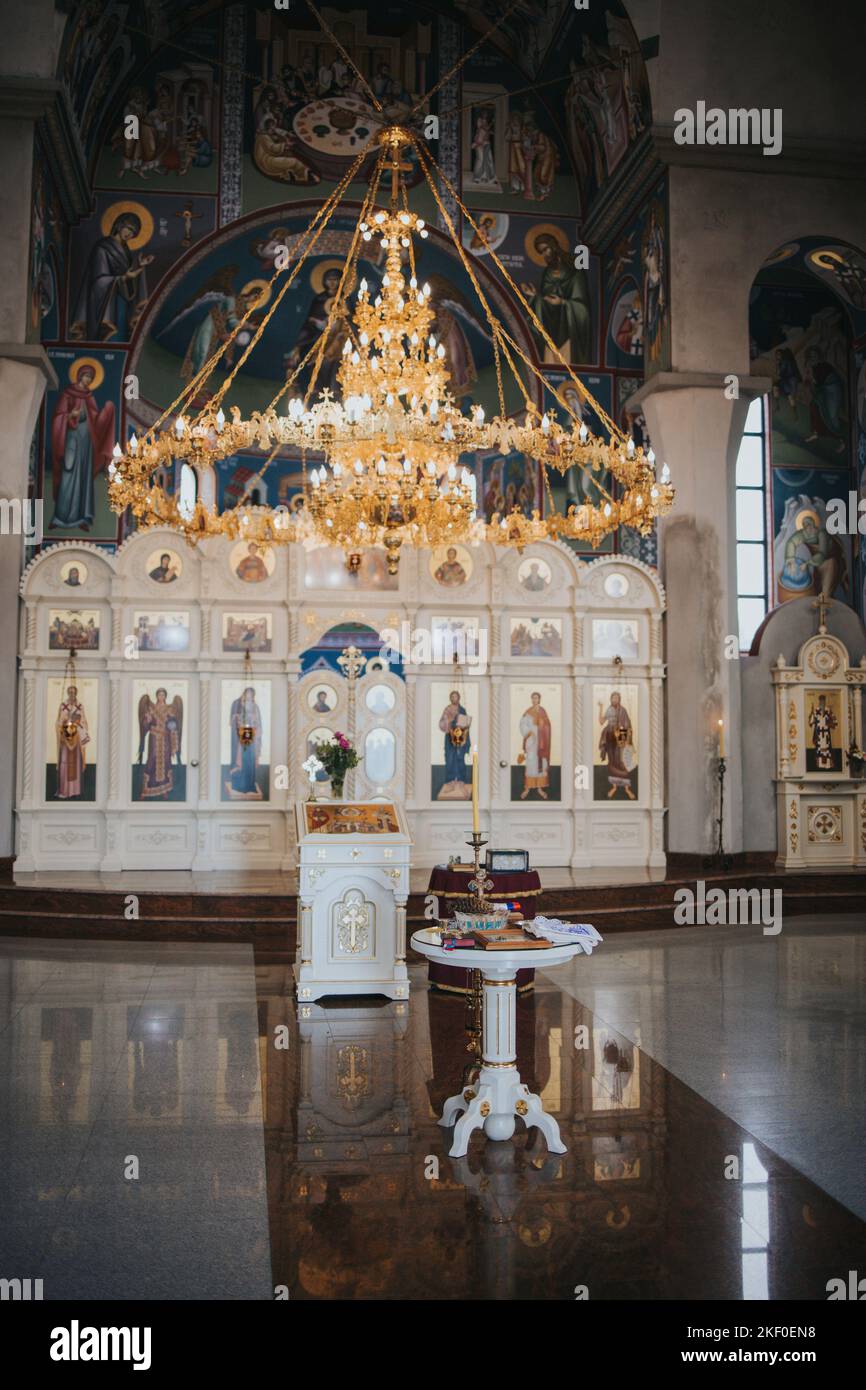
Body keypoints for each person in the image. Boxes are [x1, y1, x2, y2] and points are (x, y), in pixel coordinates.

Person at [50, 362, 116, 531]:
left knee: (84, 478)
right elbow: (58, 416)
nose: (88, 380)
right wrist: (70, 415)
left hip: (86, 441)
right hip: (71, 440)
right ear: (80, 375)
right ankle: (60, 517)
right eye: (87, 376)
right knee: (68, 473)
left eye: (91, 378)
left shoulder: (89, 397)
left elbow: (96, 422)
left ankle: (82, 518)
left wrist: (107, 411)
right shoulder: (68, 394)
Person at [70, 211, 153, 341]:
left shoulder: (126, 253)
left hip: (121, 301)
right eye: (129, 228)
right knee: (112, 337)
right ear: (120, 225)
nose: (129, 234)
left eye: (133, 233)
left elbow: (129, 279)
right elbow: (98, 281)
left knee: (121, 335)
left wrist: (140, 266)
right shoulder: (102, 247)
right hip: (106, 304)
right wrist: (122, 278)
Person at [523, 232, 592, 364]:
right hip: (551, 333)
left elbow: (582, 308)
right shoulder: (547, 274)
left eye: (545, 249)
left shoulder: (575, 271)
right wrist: (534, 297)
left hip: (570, 335)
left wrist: (563, 303)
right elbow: (545, 302)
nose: (544, 255)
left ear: (554, 246)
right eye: (541, 252)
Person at [598, 692, 635, 799]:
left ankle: (627, 788)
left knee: (621, 761)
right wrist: (600, 708)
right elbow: (601, 722)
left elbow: (627, 724)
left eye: (616, 698)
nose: (614, 699)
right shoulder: (609, 709)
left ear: (619, 699)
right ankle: (614, 786)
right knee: (612, 761)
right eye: (613, 698)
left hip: (620, 734)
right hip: (609, 735)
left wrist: (622, 732)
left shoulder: (622, 710)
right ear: (610, 699)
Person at [227, 687, 263, 798]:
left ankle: (249, 784)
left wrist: (253, 721)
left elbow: (258, 722)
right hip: (243, 733)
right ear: (244, 693)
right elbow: (234, 719)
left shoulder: (255, 707)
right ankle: (240, 785)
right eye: (248, 693)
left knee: (249, 759)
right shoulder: (238, 704)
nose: (249, 695)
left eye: (251, 693)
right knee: (243, 758)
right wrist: (239, 719)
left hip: (251, 733)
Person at [55, 685, 90, 799]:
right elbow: (59, 722)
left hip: (76, 740)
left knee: (75, 765)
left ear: (76, 693)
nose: (71, 695)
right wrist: (66, 723)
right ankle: (65, 791)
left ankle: (75, 790)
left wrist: (77, 723)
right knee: (65, 763)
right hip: (66, 740)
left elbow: (84, 722)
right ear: (67, 693)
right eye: (69, 692)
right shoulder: (63, 706)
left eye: (73, 692)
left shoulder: (80, 706)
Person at [519, 692, 552, 799]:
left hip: (542, 742)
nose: (534, 700)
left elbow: (548, 725)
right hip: (532, 741)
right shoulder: (528, 712)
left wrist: (543, 724)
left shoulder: (543, 711)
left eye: (536, 698)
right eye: (533, 698)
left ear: (539, 699)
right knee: (531, 762)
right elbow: (522, 724)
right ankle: (528, 788)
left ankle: (540, 788)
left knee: (541, 763)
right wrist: (530, 732)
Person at [808, 694, 838, 771]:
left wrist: (830, 723)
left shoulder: (828, 710)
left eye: (823, 700)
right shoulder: (816, 711)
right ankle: (819, 765)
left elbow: (835, 722)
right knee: (819, 749)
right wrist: (811, 713)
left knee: (827, 749)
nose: (822, 702)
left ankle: (827, 765)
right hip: (818, 734)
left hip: (826, 734)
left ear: (825, 701)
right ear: (819, 701)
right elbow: (811, 722)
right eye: (821, 700)